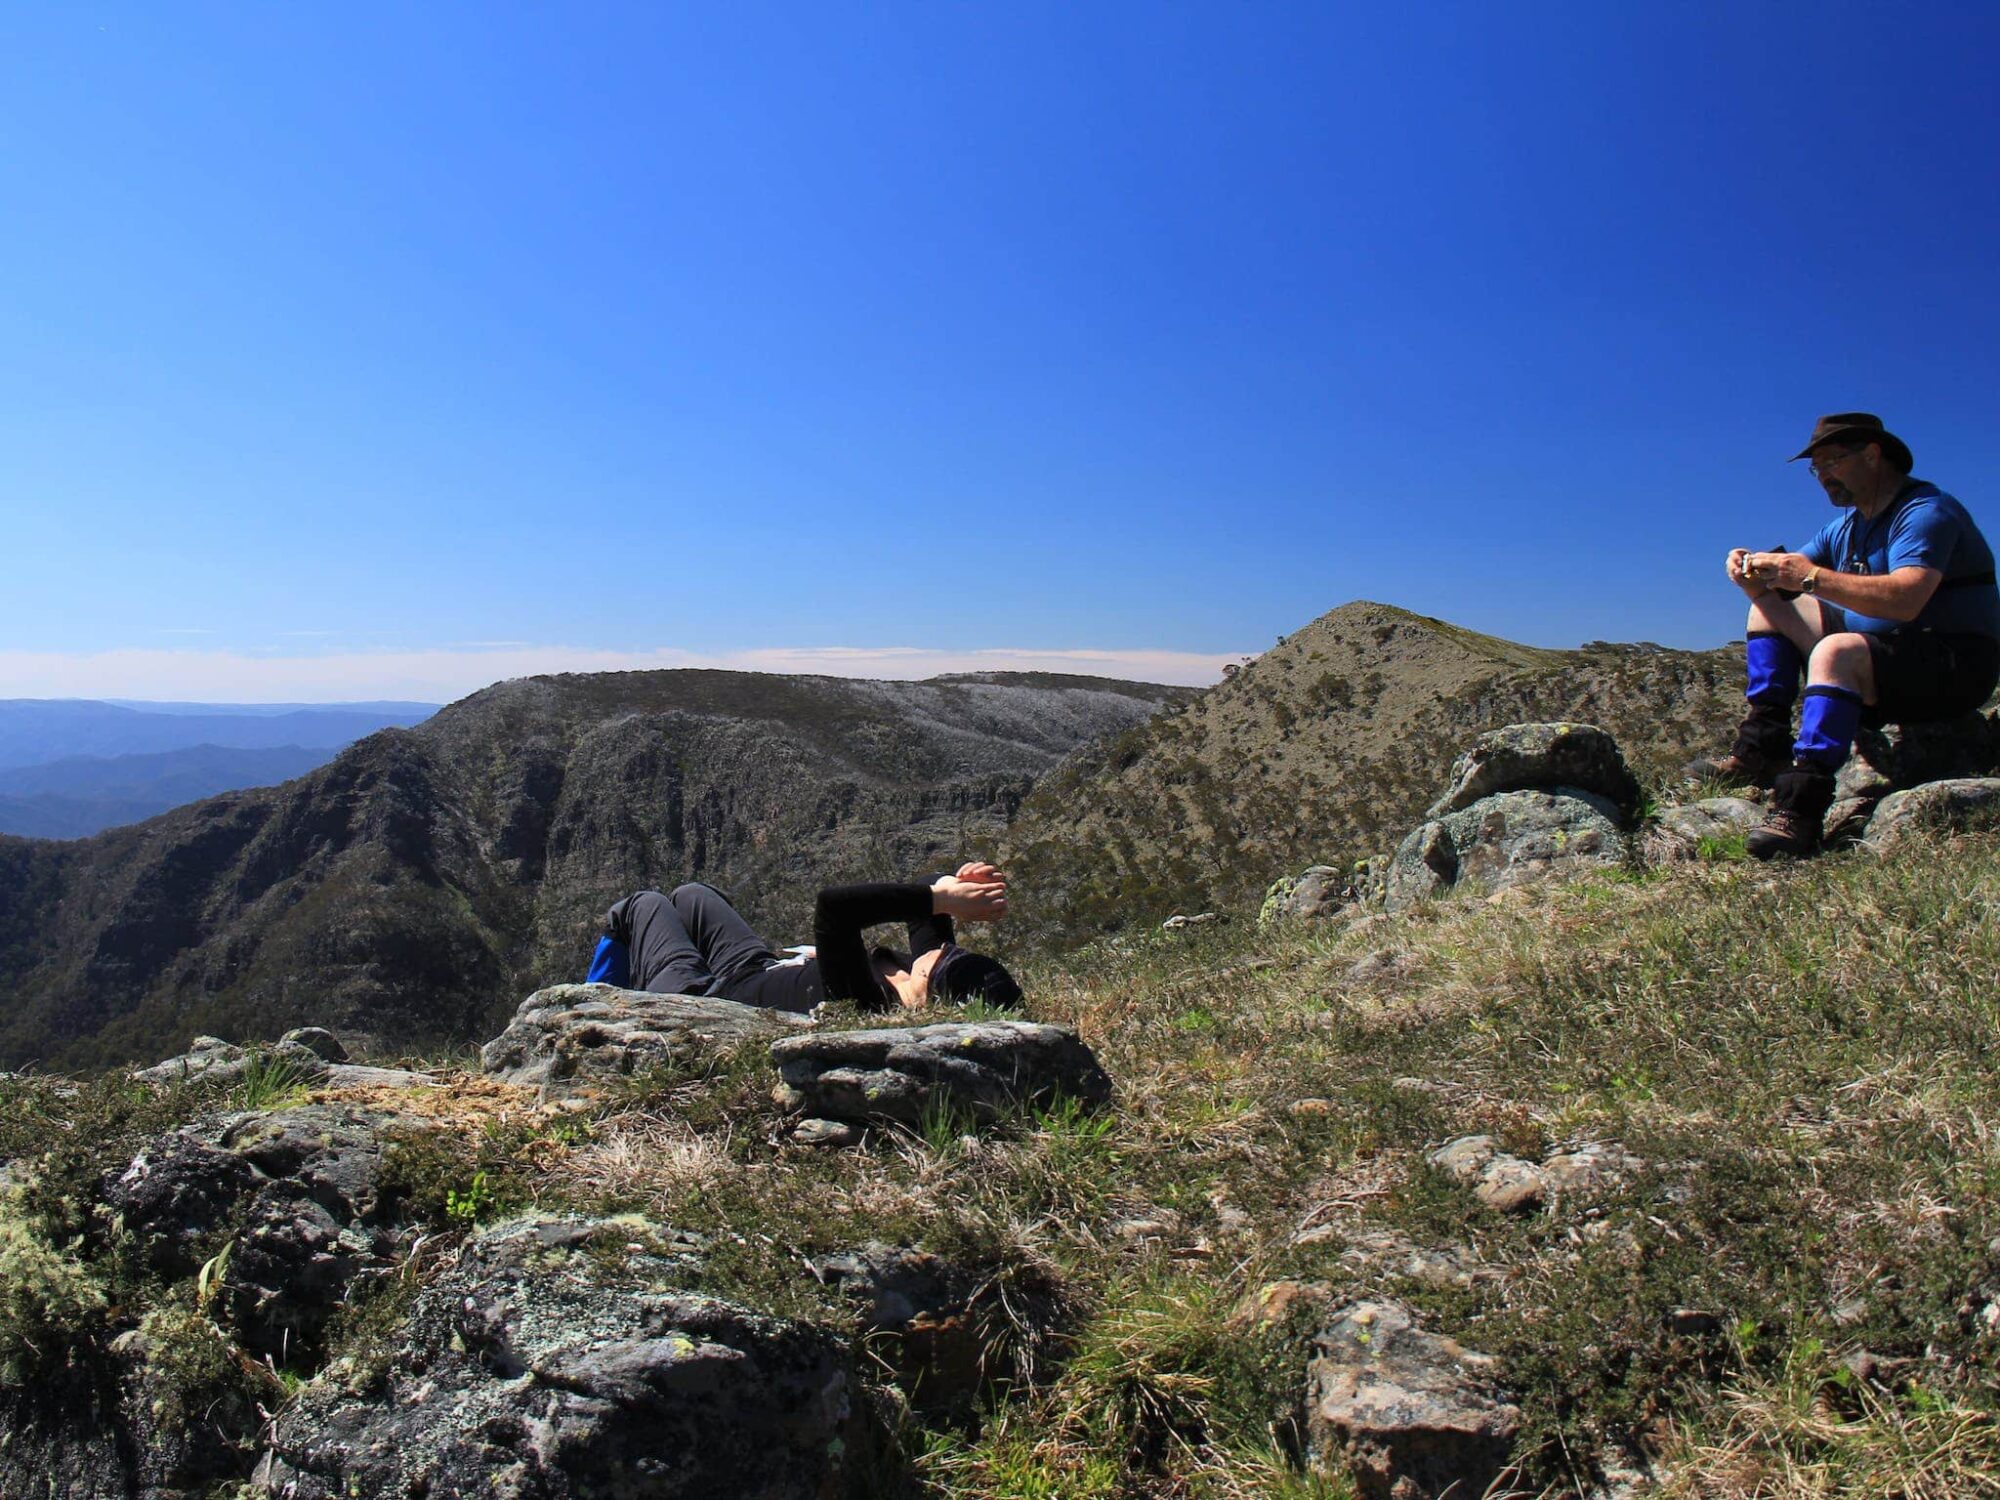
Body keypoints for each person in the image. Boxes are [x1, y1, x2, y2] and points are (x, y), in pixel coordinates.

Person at [1689, 413, 2000, 858]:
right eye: (1817, 468)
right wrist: (1750, 576)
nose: (1823, 477)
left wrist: (1810, 577)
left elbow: (1905, 600)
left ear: (1873, 455)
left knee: (1836, 650)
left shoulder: (1924, 512)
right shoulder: (1847, 527)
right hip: (1886, 659)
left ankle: (1801, 809)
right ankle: (1762, 747)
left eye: (1832, 461)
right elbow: (1789, 581)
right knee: (1767, 612)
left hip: (1953, 665)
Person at [587, 862, 1023, 1013]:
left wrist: (939, 898)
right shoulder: (923, 972)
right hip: (755, 968)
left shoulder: (863, 998)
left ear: (933, 989)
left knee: (641, 905)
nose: (943, 948)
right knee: (691, 895)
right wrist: (959, 883)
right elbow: (930, 899)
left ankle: (595, 1004)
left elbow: (835, 908)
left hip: (703, 996)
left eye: (945, 958)